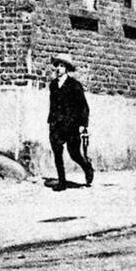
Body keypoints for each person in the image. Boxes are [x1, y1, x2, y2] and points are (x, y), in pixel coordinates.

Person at [47, 54, 93, 191]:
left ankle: (87, 167)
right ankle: (62, 182)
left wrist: (82, 125)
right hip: (56, 125)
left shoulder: (75, 85)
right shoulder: (53, 85)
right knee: (57, 153)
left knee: (74, 154)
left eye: (62, 66)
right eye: (57, 66)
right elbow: (53, 105)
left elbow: (83, 106)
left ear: (67, 69)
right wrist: (51, 121)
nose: (58, 69)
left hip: (71, 125)